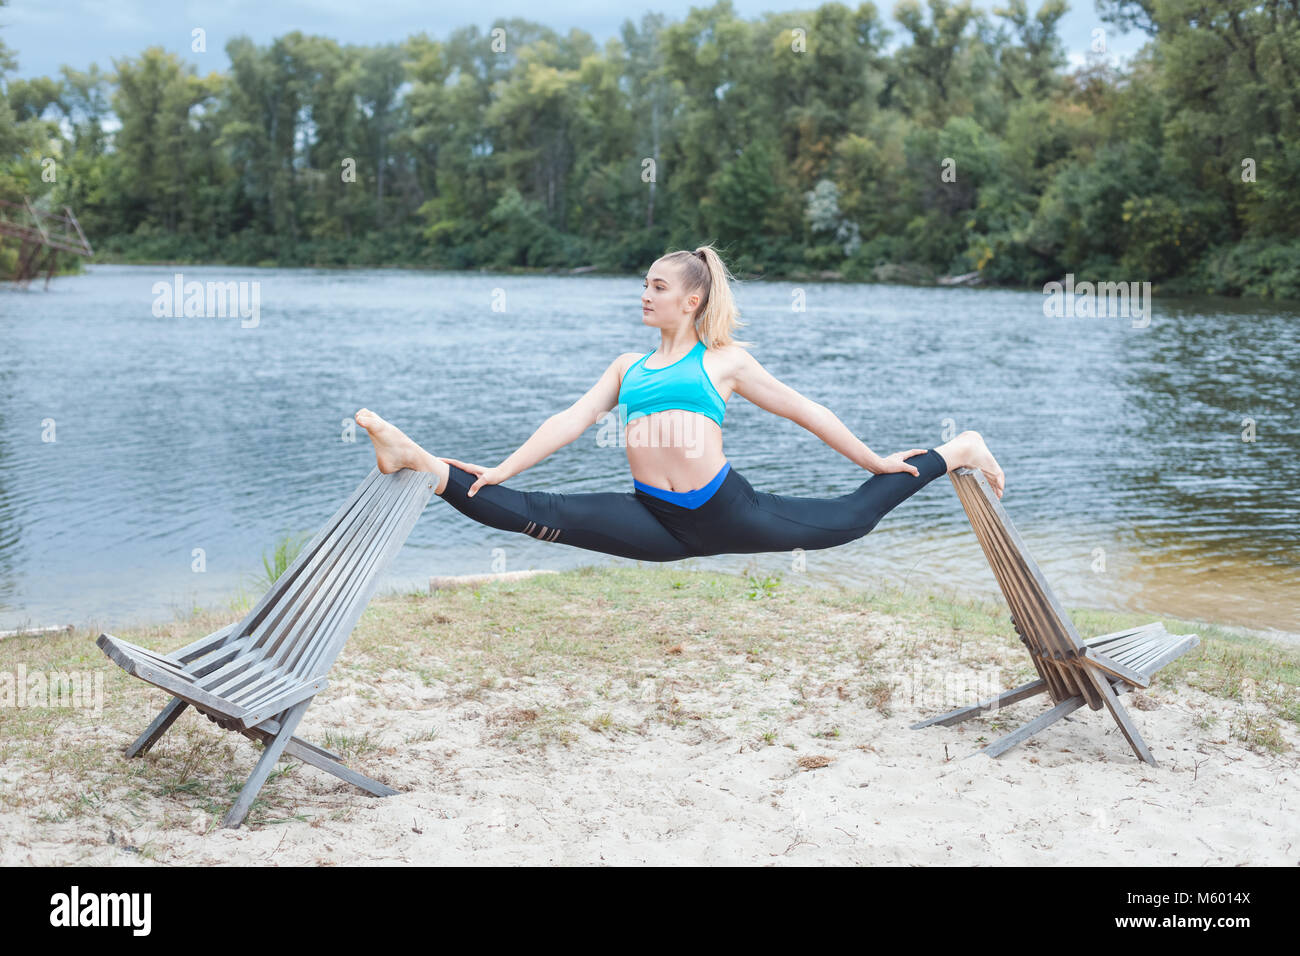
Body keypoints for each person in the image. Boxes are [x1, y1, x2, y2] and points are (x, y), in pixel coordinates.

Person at [354, 244, 1005, 562]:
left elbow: (806, 411)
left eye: (658, 286)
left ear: (691, 300)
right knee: (524, 511)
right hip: (656, 521)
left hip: (730, 512)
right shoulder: (627, 367)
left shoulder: (724, 361)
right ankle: (419, 460)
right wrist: (504, 467)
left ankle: (958, 449)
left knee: (853, 518)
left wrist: (873, 459)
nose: (645, 294)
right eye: (644, 284)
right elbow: (570, 421)